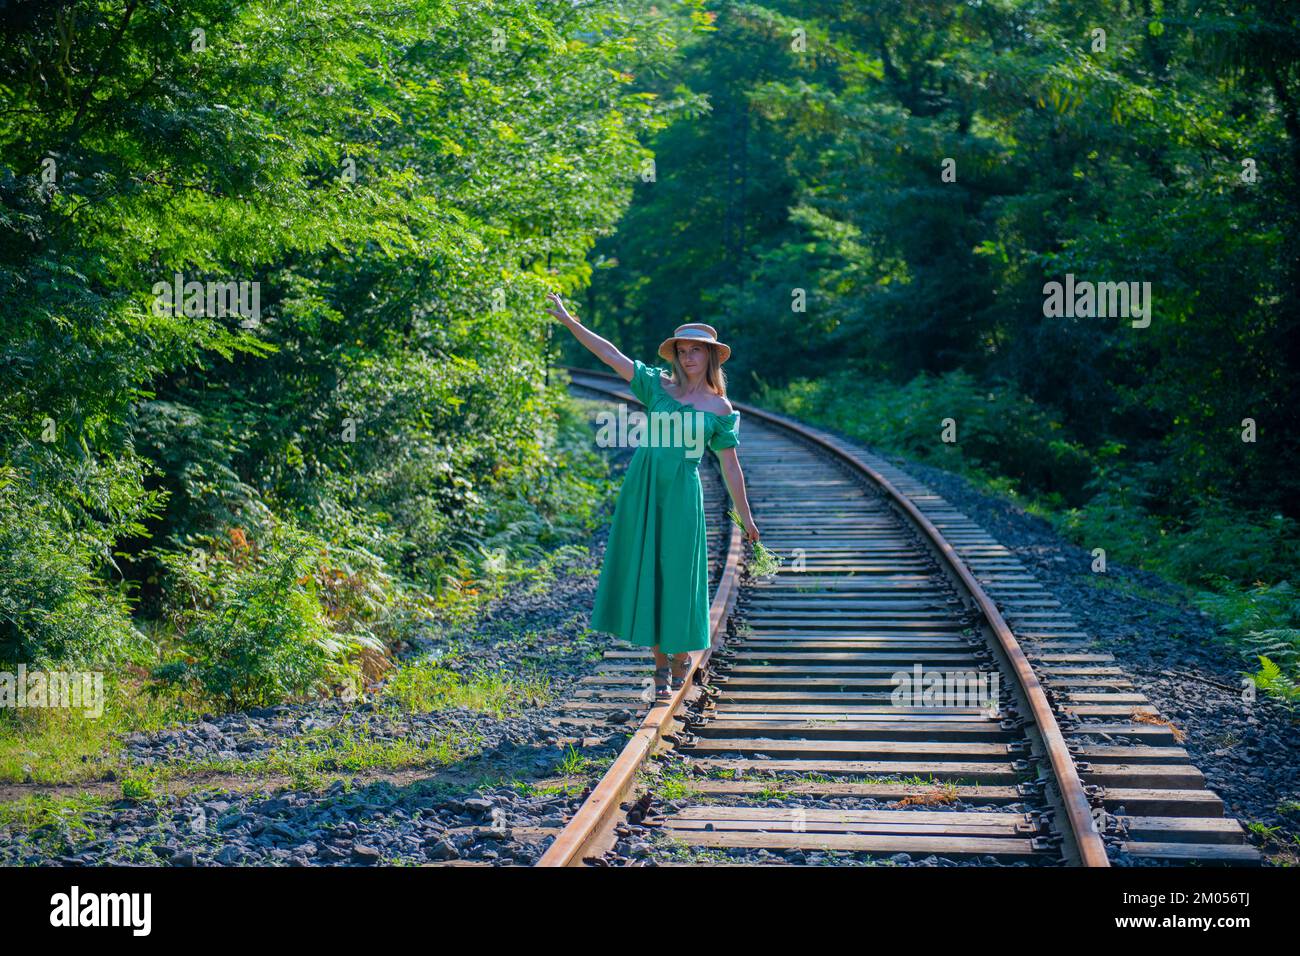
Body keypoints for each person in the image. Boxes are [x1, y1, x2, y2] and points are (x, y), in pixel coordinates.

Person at [544, 292, 760, 702]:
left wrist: (745, 517)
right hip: (643, 487)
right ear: (675, 355)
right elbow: (610, 355)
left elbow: (731, 466)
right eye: (683, 350)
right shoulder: (658, 387)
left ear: (711, 356)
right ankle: (659, 665)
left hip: (681, 492)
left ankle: (681, 653)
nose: (689, 356)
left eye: (697, 350)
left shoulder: (718, 407)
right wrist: (570, 321)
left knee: (678, 572)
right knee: (650, 572)